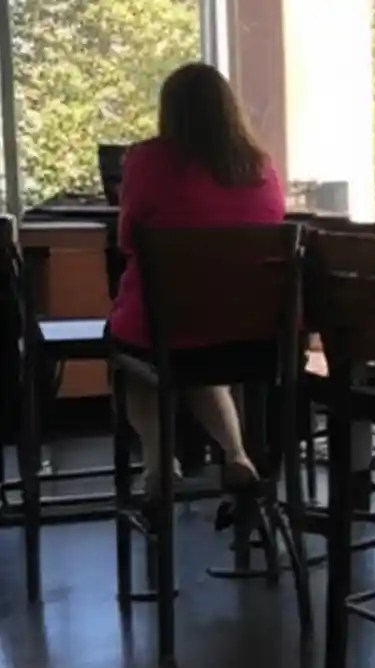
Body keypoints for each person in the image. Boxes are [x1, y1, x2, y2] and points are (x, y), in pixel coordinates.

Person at [108, 63, 286, 524]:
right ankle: (236, 456)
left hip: (170, 329)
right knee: (200, 357)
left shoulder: (148, 161)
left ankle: (157, 470)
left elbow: (128, 241)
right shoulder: (261, 166)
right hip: (253, 337)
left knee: (137, 361)